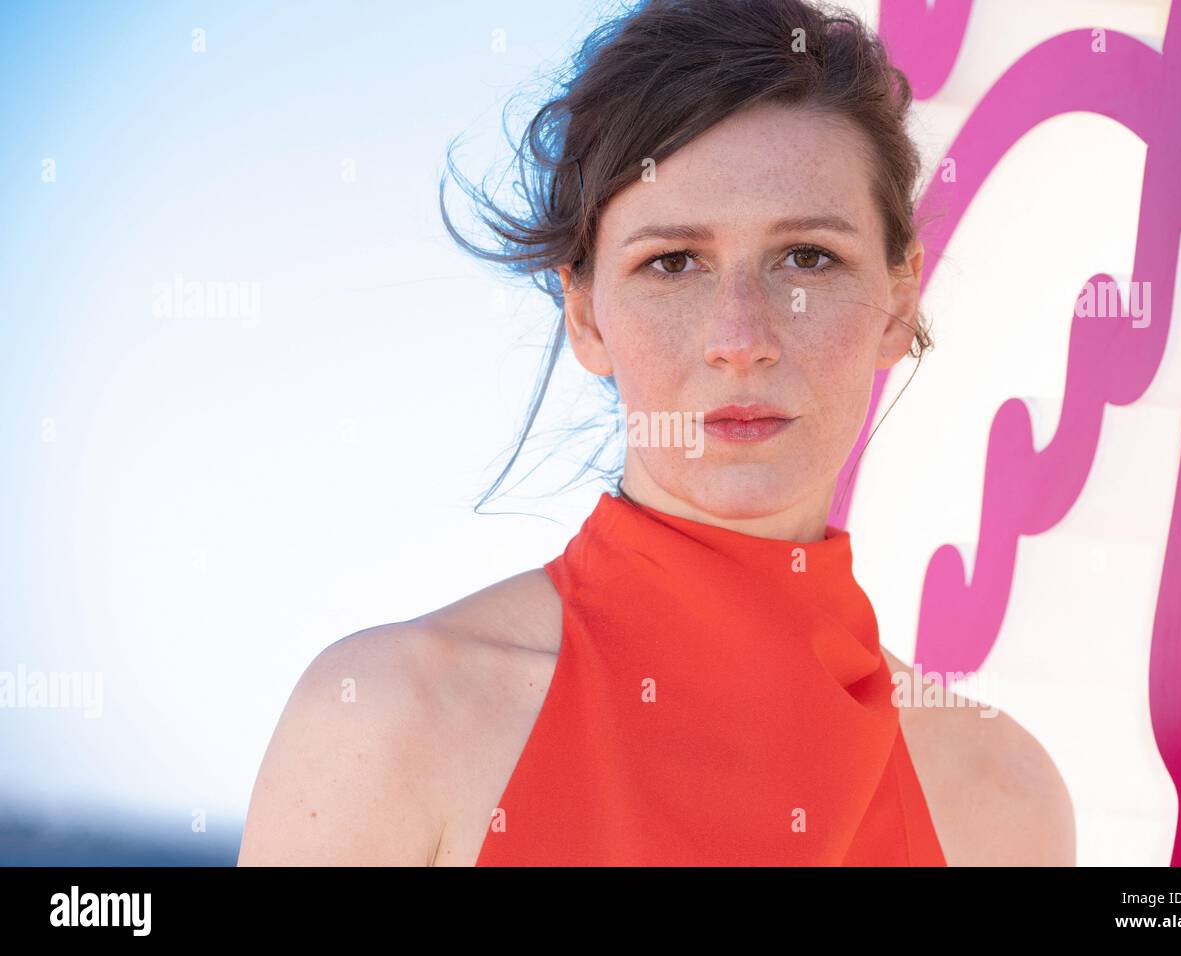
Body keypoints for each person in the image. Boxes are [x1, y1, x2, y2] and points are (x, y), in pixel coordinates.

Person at [237, 0, 1075, 866]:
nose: (742, 338)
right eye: (672, 263)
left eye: (808, 258)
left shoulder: (1001, 798)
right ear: (586, 317)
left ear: (900, 300)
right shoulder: (390, 720)